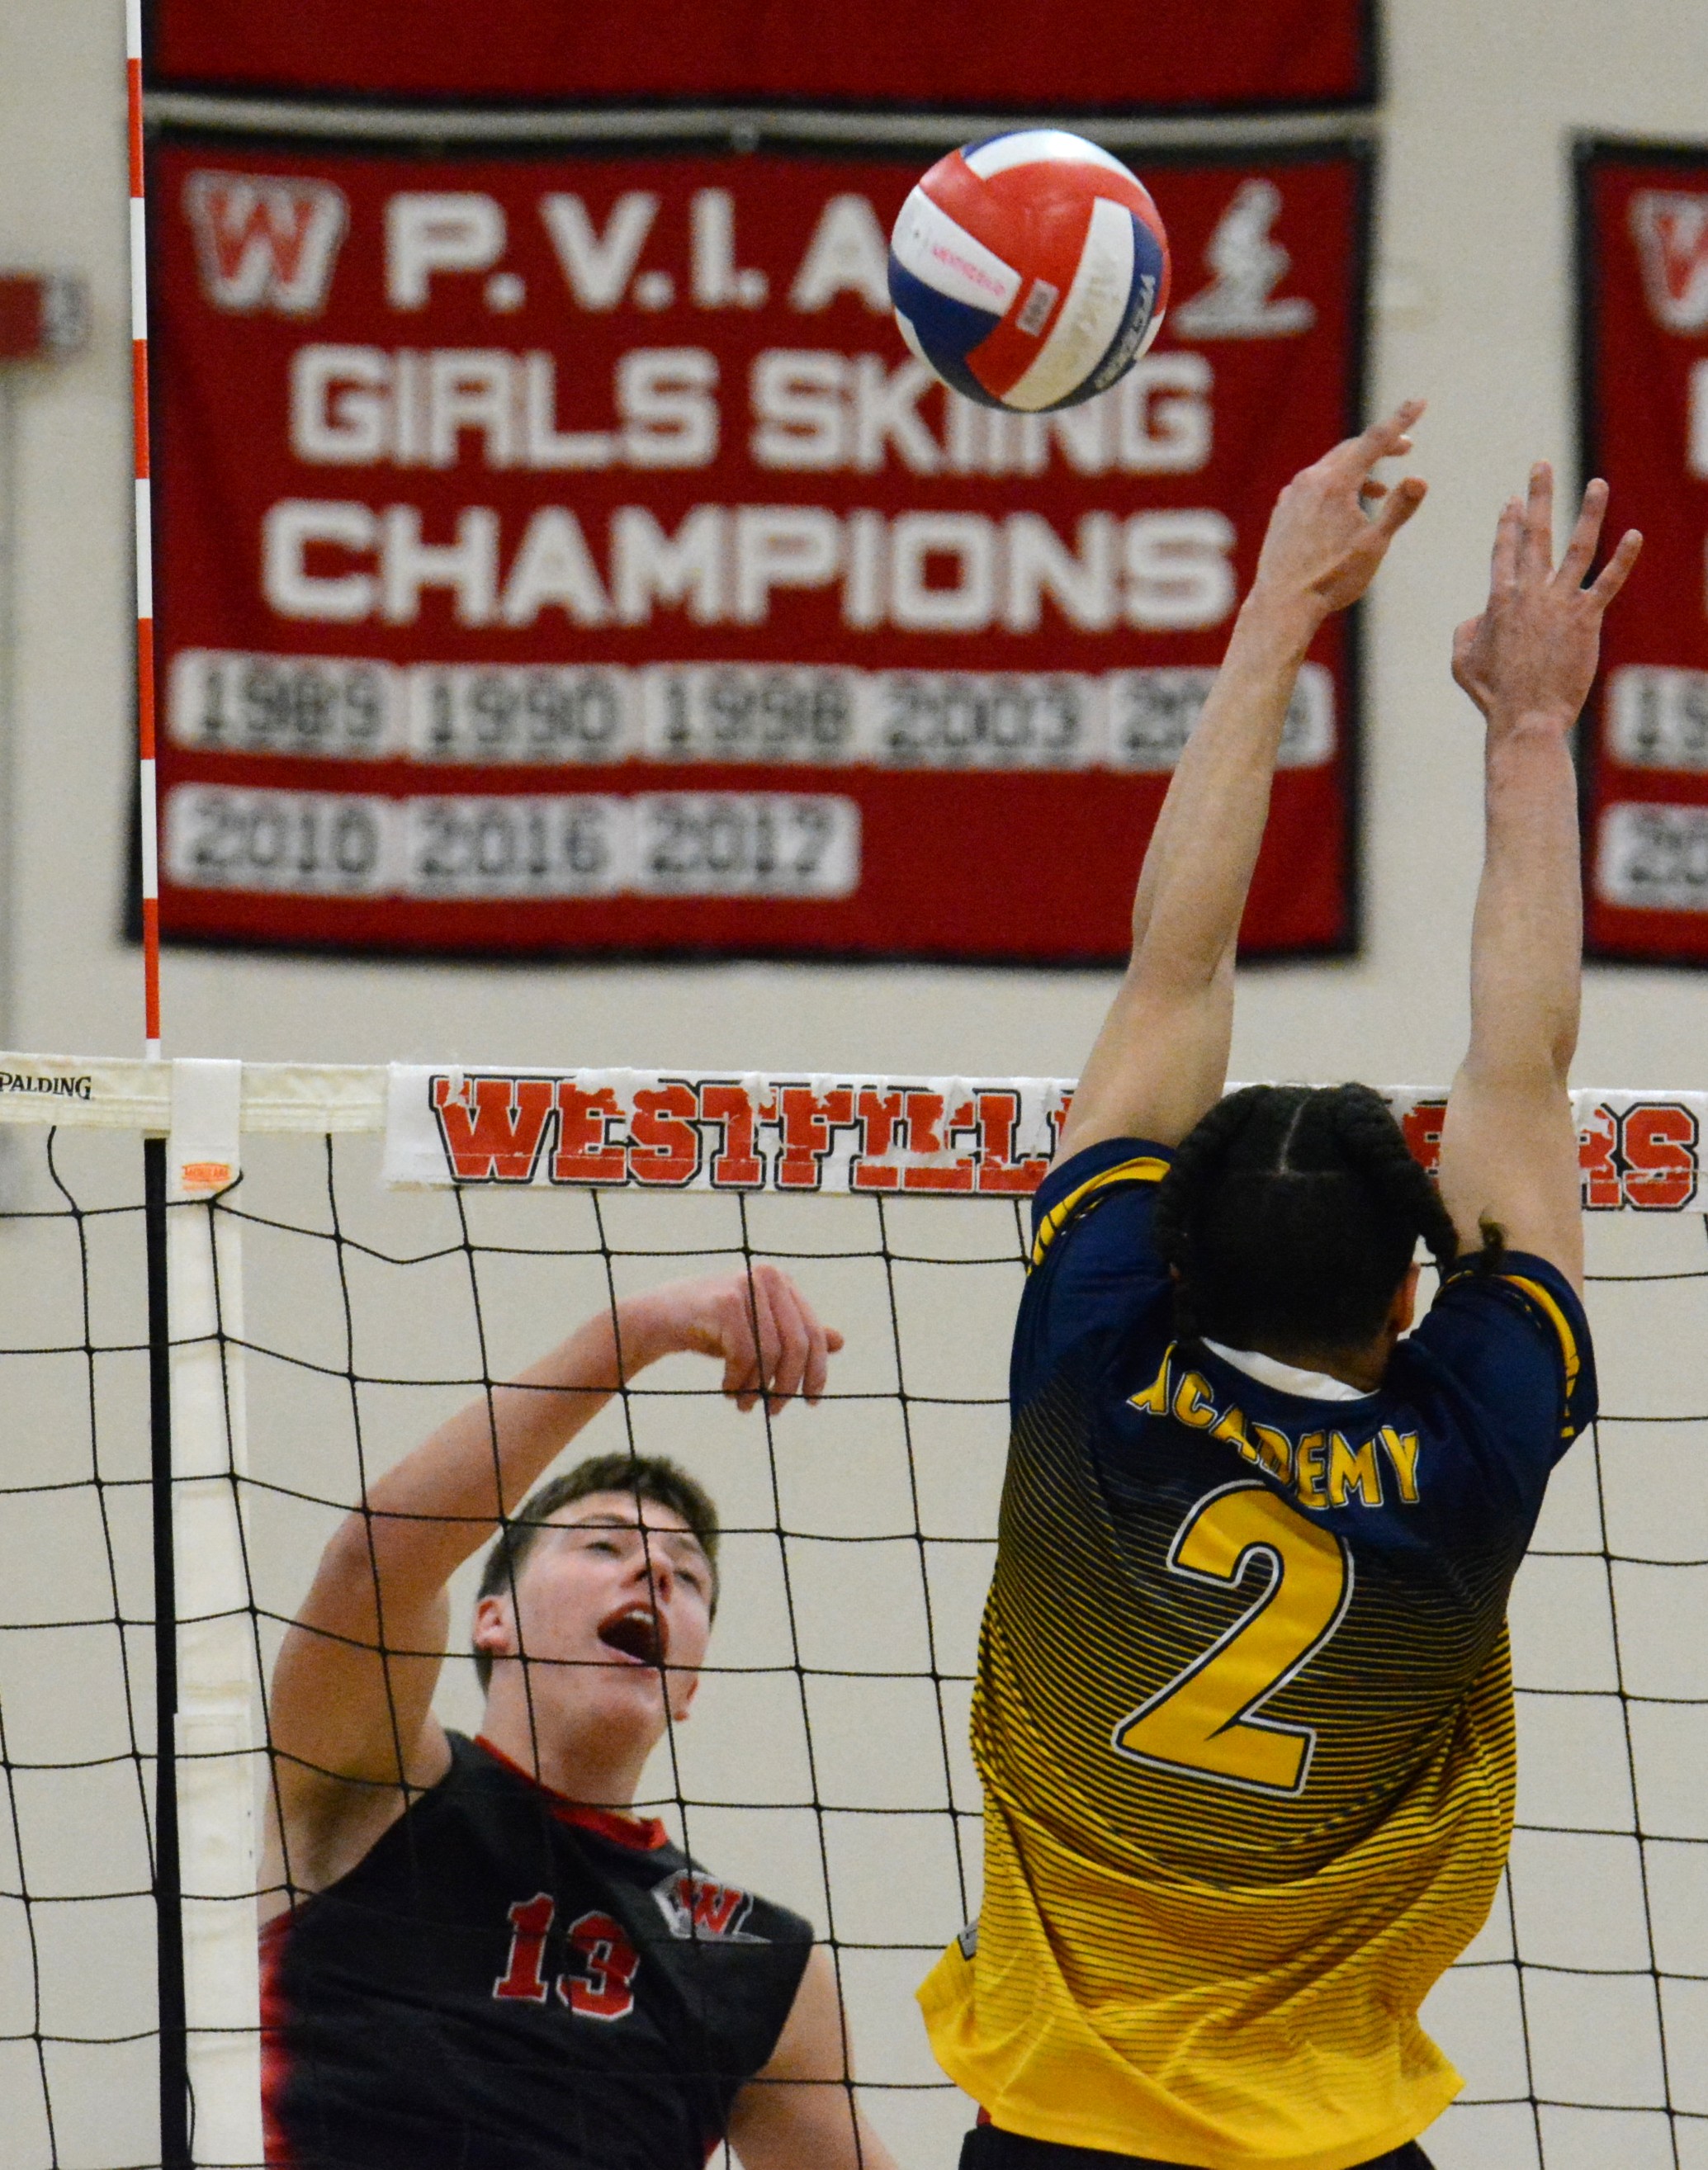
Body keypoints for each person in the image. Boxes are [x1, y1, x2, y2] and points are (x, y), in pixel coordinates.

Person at [918, 407, 1642, 2170]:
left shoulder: (1087, 1360)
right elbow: (1518, 1075)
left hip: (1051, 2131)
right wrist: (1529, 727)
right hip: (1324, 2144)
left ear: (1160, 1257)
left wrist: (1274, 608)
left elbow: (1174, 972)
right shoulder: (1464, 1444)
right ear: (1408, 1296)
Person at [261, 1262, 898, 2170]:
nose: (655, 1574)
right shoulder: (373, 1788)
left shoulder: (757, 1959)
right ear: (494, 1619)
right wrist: (639, 1328)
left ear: (688, 1684)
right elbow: (374, 1561)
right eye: (603, 1545)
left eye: (688, 1572)